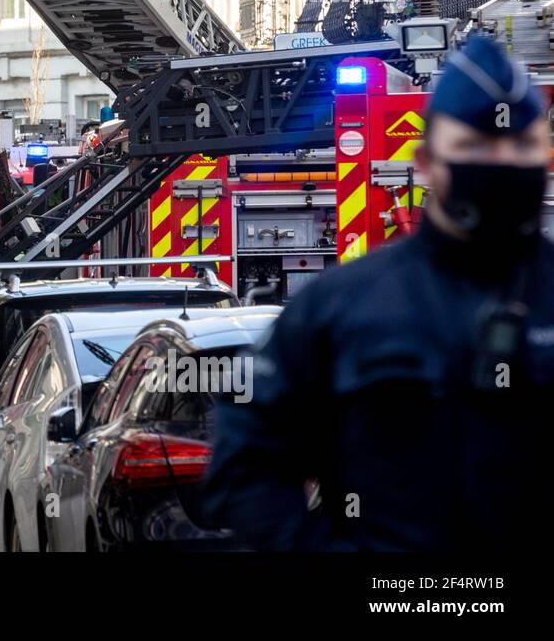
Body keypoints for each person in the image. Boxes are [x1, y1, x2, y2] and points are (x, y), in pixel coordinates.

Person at [202, 34, 554, 551]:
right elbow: (242, 471)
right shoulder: (338, 308)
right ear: (426, 162)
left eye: (519, 146)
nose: (500, 162)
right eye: (475, 147)